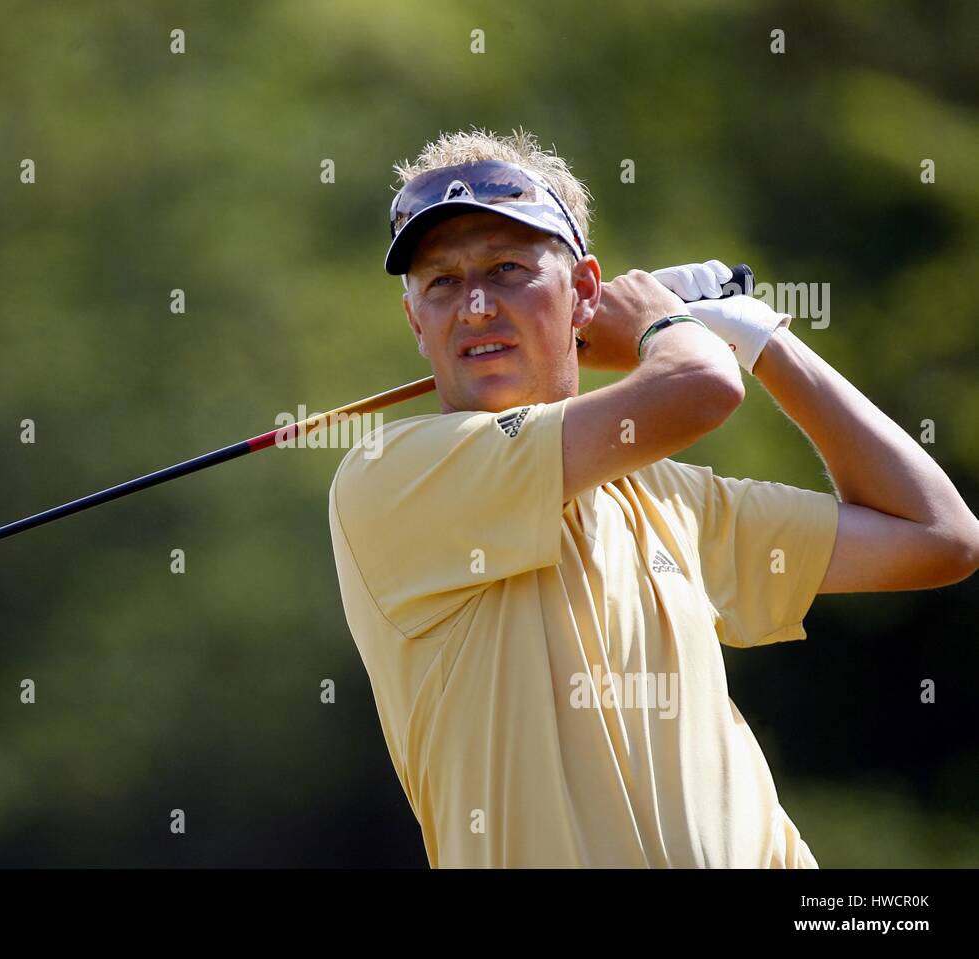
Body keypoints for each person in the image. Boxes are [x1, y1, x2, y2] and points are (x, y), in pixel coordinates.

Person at [327, 127, 979, 868]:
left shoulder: (667, 498)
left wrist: (763, 339)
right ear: (416, 320)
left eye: (508, 268)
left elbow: (939, 534)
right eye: (442, 281)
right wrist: (661, 325)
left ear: (581, 295)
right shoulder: (389, 476)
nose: (474, 306)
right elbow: (701, 389)